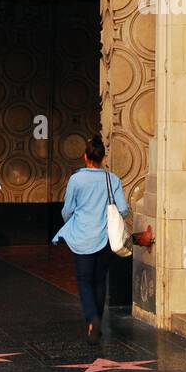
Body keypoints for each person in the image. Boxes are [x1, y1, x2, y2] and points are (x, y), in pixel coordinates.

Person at [53, 134, 154, 344]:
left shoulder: (76, 179)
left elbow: (68, 209)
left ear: (85, 157)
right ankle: (96, 320)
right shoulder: (112, 179)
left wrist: (73, 221)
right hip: (105, 239)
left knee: (84, 280)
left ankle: (92, 319)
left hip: (82, 238)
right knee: (100, 280)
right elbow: (124, 209)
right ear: (102, 157)